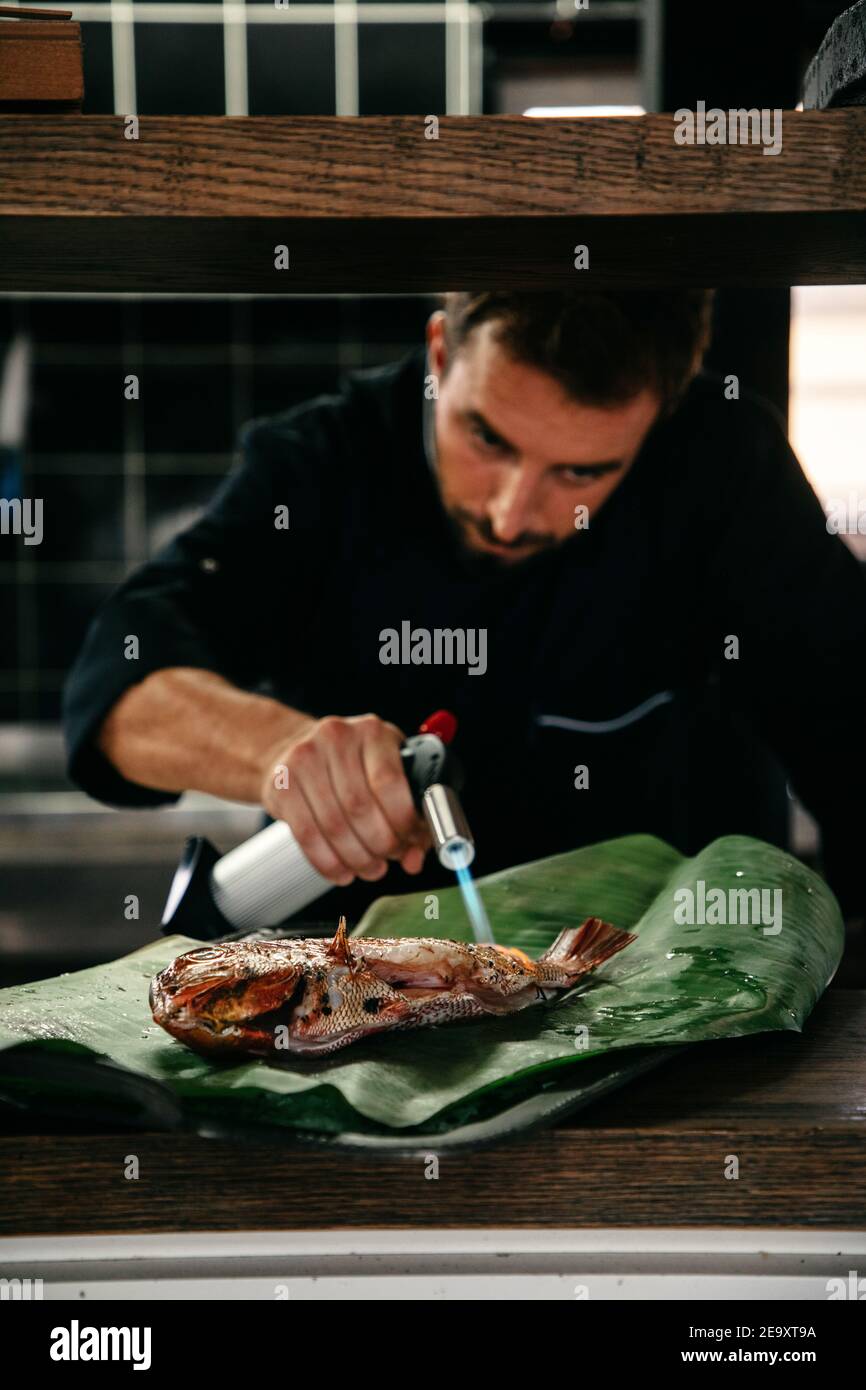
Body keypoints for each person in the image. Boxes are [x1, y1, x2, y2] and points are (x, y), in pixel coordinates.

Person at [62, 291, 866, 970]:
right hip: (361, 1032)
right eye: (487, 438)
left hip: (662, 1023)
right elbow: (123, 673)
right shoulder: (321, 465)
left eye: (580, 473)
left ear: (663, 412)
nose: (511, 513)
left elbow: (852, 730)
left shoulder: (725, 473)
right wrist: (279, 755)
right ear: (441, 352)